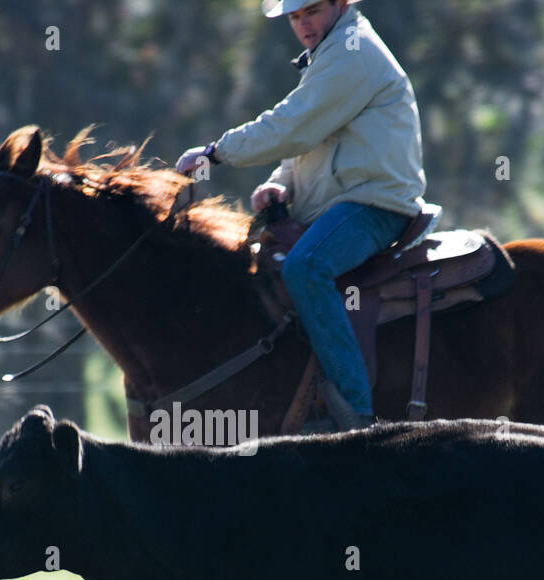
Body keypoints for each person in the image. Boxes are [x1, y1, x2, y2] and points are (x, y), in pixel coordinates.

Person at [176, 0, 427, 428]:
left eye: (311, 11)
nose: (303, 24)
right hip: (346, 202)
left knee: (306, 267)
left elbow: (295, 124)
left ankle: (354, 412)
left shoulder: (351, 51)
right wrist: (283, 182)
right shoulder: (330, 54)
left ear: (339, 4)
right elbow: (308, 137)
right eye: (294, 17)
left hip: (375, 204)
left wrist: (216, 153)